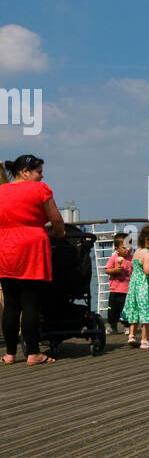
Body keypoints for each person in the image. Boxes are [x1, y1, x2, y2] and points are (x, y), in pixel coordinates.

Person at [0, 153, 66, 366]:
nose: (41, 176)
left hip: (5, 247)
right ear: (25, 171)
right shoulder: (40, 189)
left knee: (10, 303)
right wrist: (59, 233)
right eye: (38, 172)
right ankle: (34, 353)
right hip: (31, 247)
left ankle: (10, 354)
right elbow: (56, 218)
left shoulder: (1, 191)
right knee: (29, 302)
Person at [104, 231, 133, 333]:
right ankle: (112, 326)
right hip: (114, 290)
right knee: (111, 309)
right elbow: (107, 270)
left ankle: (127, 326)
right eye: (124, 247)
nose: (128, 249)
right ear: (116, 248)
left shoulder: (132, 259)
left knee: (126, 310)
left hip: (127, 290)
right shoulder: (114, 258)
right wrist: (115, 270)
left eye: (130, 246)